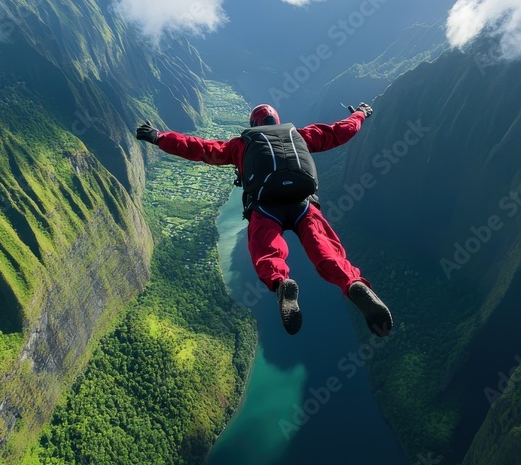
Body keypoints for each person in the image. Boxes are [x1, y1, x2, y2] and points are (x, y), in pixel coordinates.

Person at [135, 102, 393, 337]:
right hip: (303, 204)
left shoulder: (241, 145)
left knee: (266, 250)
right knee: (324, 247)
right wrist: (361, 114)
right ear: (276, 121)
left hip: (266, 207)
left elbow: (200, 148)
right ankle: (352, 283)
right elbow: (340, 132)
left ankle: (281, 282)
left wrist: (159, 137)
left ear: (253, 124)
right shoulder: (299, 135)